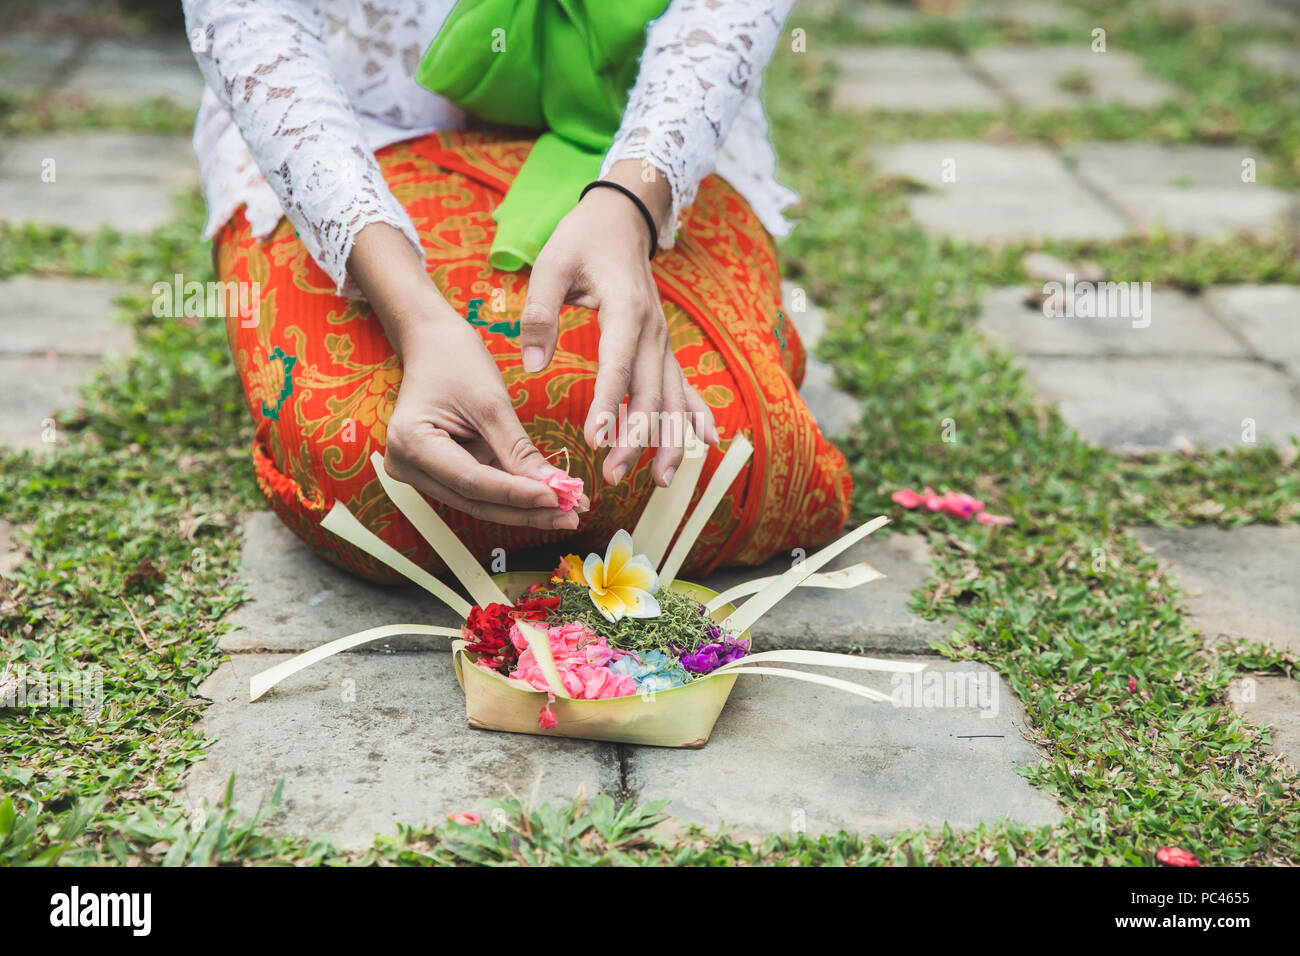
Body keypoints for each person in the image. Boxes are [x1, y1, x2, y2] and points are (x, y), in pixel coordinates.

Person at [184, 0, 852, 583]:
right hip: (358, 128)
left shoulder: (646, 169)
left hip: (641, 129)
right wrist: (416, 319)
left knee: (728, 452)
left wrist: (632, 203)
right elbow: (249, 17)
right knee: (371, 456)